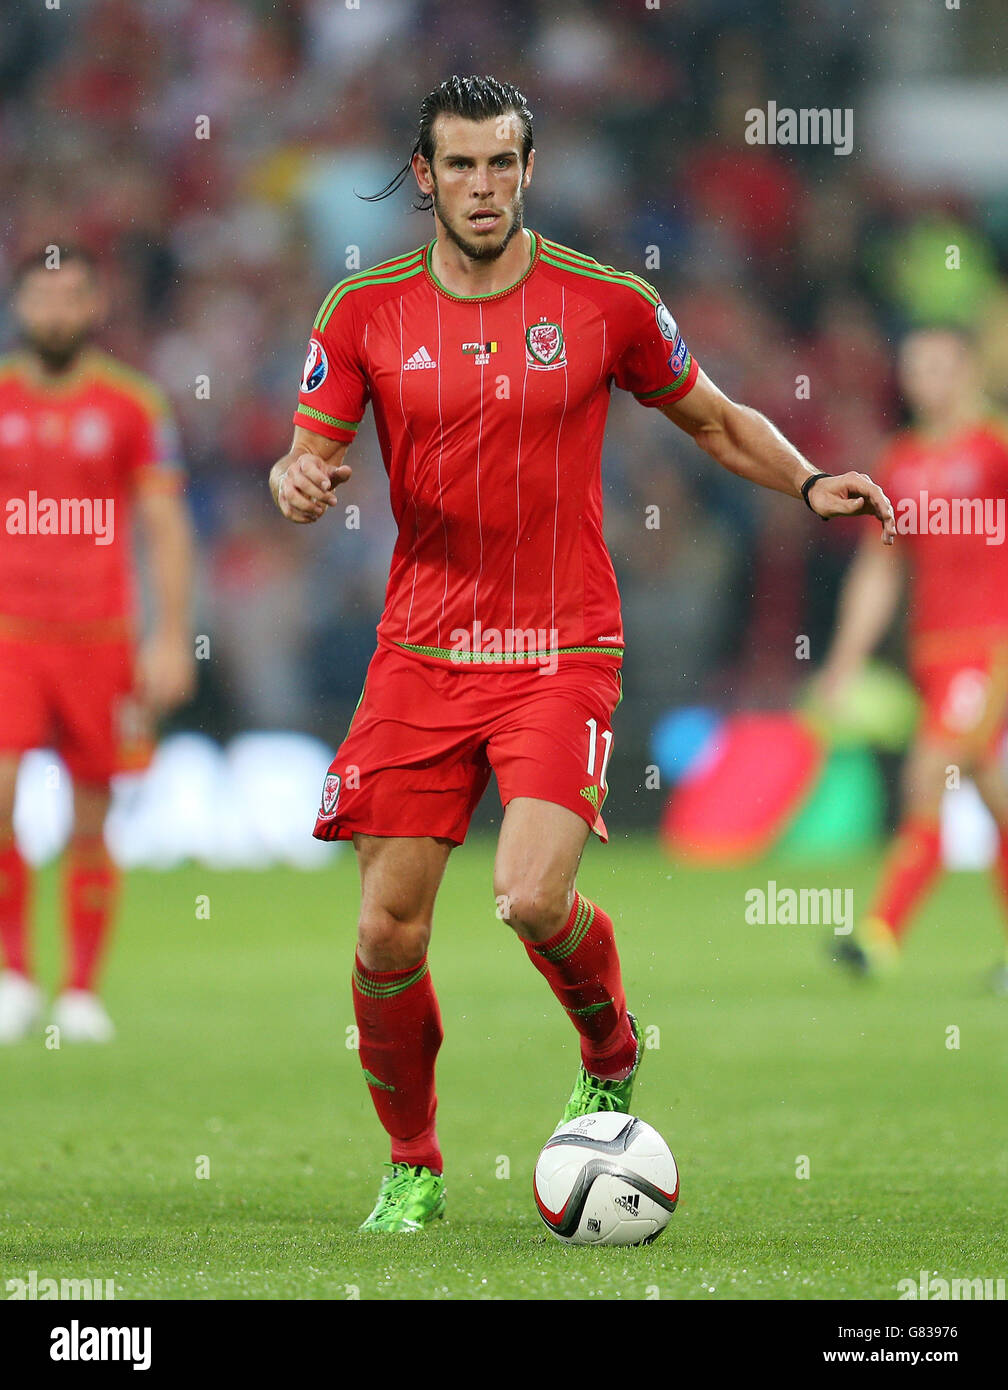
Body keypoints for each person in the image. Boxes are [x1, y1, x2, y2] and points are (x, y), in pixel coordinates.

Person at [270, 75, 894, 1232]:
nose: (483, 186)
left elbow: (710, 416)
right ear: (425, 175)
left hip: (563, 643)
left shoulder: (603, 304)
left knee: (528, 891)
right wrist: (296, 480)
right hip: (420, 647)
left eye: (502, 164)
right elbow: (301, 458)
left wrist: (807, 477)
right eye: (460, 166)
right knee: (384, 929)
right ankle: (414, 1163)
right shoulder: (360, 312)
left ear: (530, 169)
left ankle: (610, 1047)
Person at [0, 247, 194, 1043]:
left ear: (93, 307)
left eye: (69, 297)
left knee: (91, 815)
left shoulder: (131, 404)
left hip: (101, 641)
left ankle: (80, 990)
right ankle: (13, 974)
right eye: (41, 297)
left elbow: (164, 523)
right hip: (10, 634)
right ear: (19, 306)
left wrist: (173, 636)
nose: (54, 312)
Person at [819, 325, 1008, 986]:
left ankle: (878, 936)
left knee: (928, 776)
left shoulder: (995, 447)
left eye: (936, 365)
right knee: (992, 794)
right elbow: (881, 571)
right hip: (932, 655)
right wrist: (844, 659)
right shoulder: (899, 462)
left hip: (991, 650)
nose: (921, 379)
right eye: (912, 367)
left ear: (967, 369)